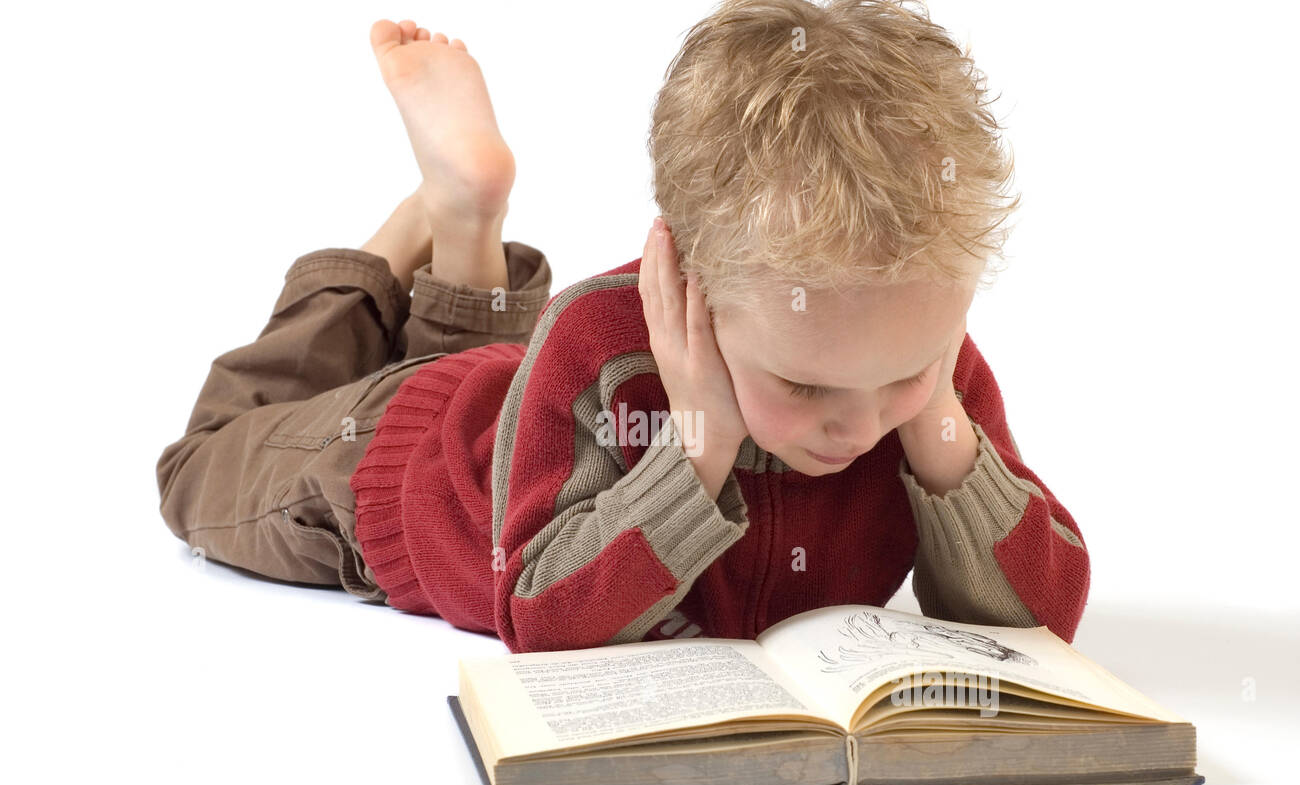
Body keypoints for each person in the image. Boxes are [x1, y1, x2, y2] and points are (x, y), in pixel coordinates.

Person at [156, 3, 1090, 655]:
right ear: (691, 286)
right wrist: (699, 444)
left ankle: (464, 224)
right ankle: (415, 236)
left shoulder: (912, 363)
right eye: (805, 388)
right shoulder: (600, 345)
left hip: (511, 410)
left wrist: (944, 439)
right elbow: (539, 612)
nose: (860, 425)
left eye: (908, 373)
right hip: (391, 468)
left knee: (489, 377)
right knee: (198, 471)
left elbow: (1045, 620)